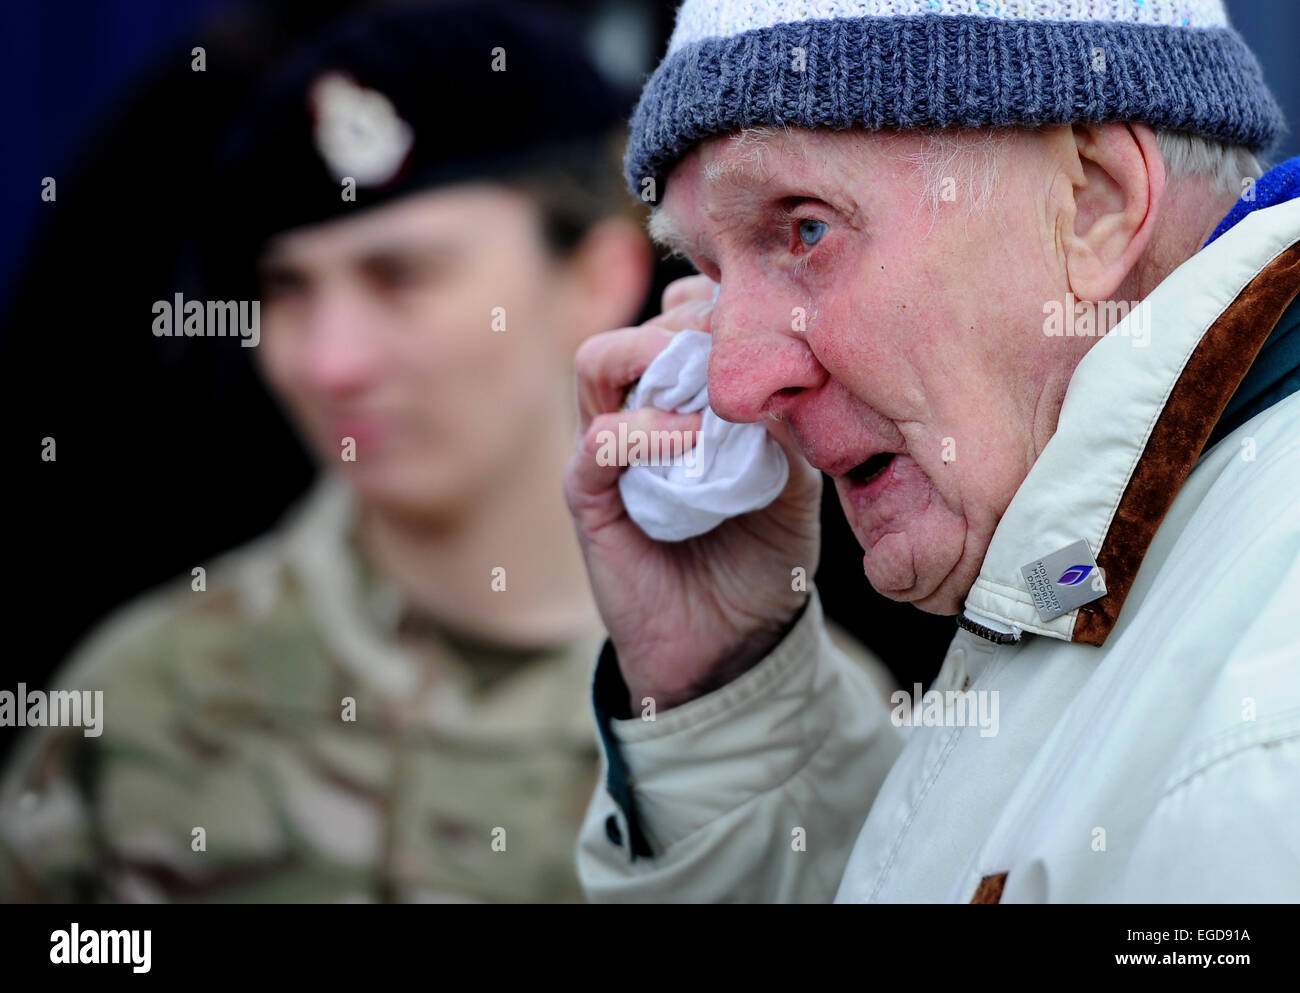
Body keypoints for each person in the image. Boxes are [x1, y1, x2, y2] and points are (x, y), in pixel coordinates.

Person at [569, 0, 1300, 901]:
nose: (733, 385)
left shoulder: (1262, 743)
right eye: (709, 274)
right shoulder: (1083, 577)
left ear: (1095, 202)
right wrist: (730, 698)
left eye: (804, 230)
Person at [0, 2, 656, 904]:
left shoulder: (765, 724)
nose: (329, 359)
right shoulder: (144, 705)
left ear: (598, 278)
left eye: (402, 276)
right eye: (287, 287)